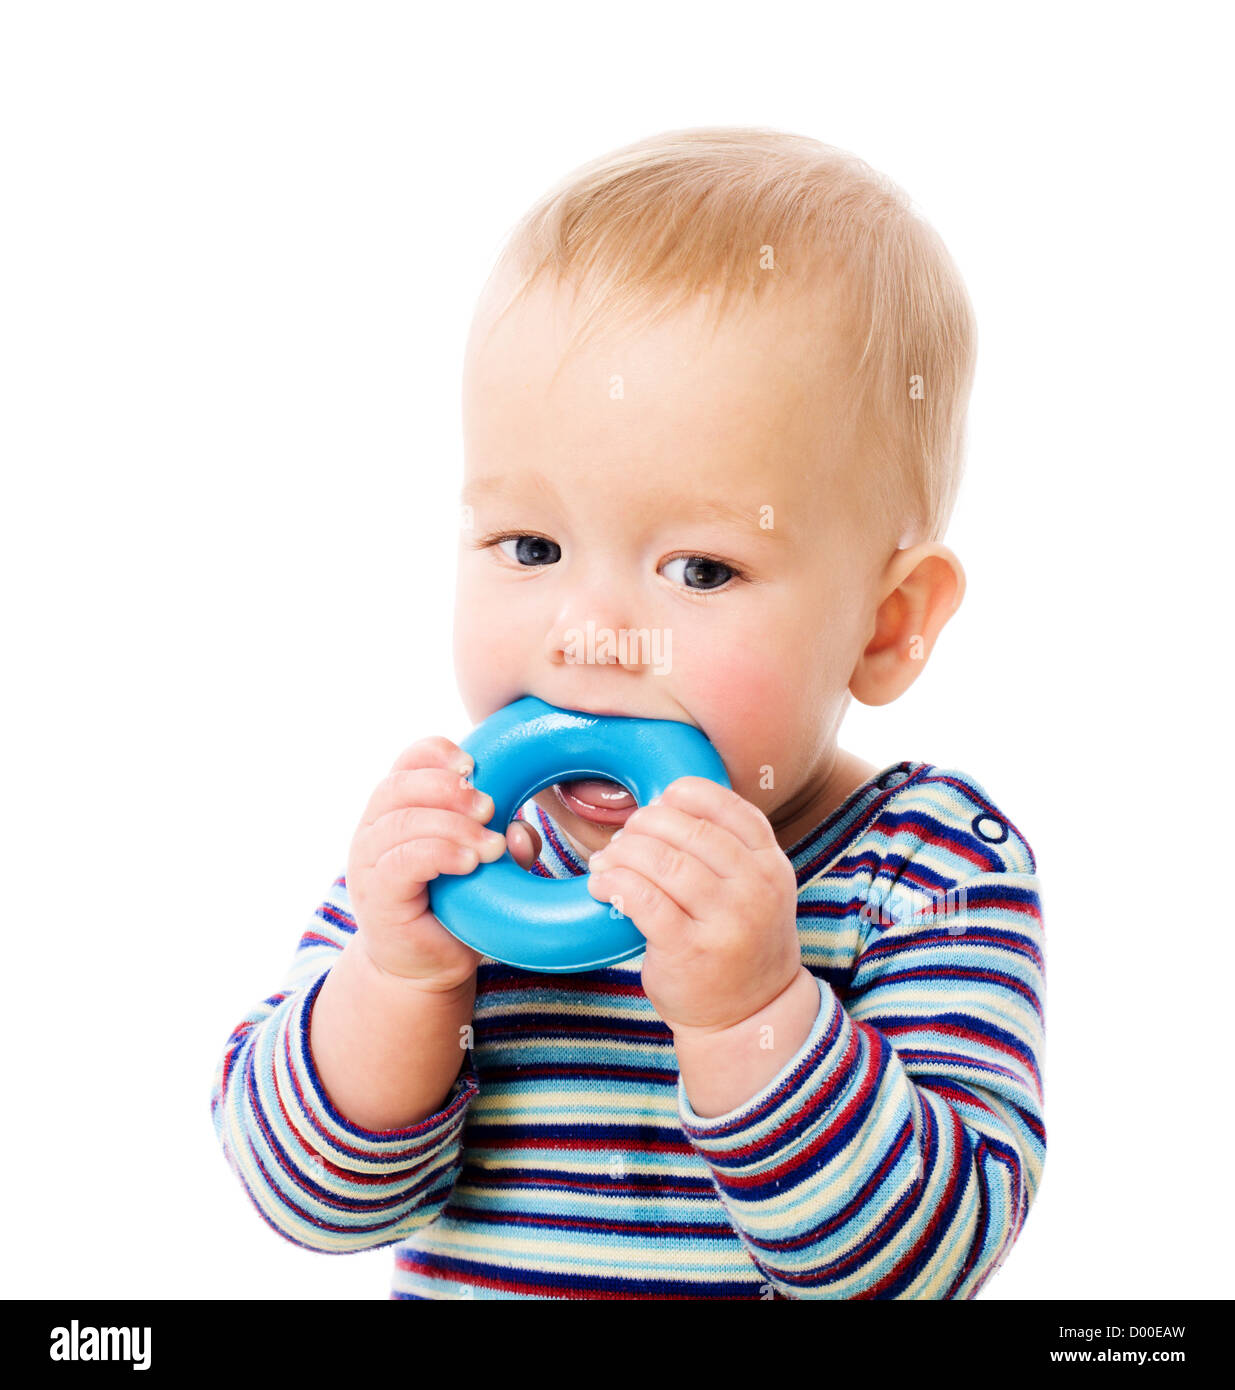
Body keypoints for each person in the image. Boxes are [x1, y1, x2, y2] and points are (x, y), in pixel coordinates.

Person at [210, 126, 1045, 1299]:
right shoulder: (460, 843)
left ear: (882, 622)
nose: (587, 633)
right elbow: (302, 1197)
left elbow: (919, 1261)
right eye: (531, 545)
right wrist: (402, 983)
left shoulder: (926, 868)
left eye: (699, 569)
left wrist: (753, 1009)